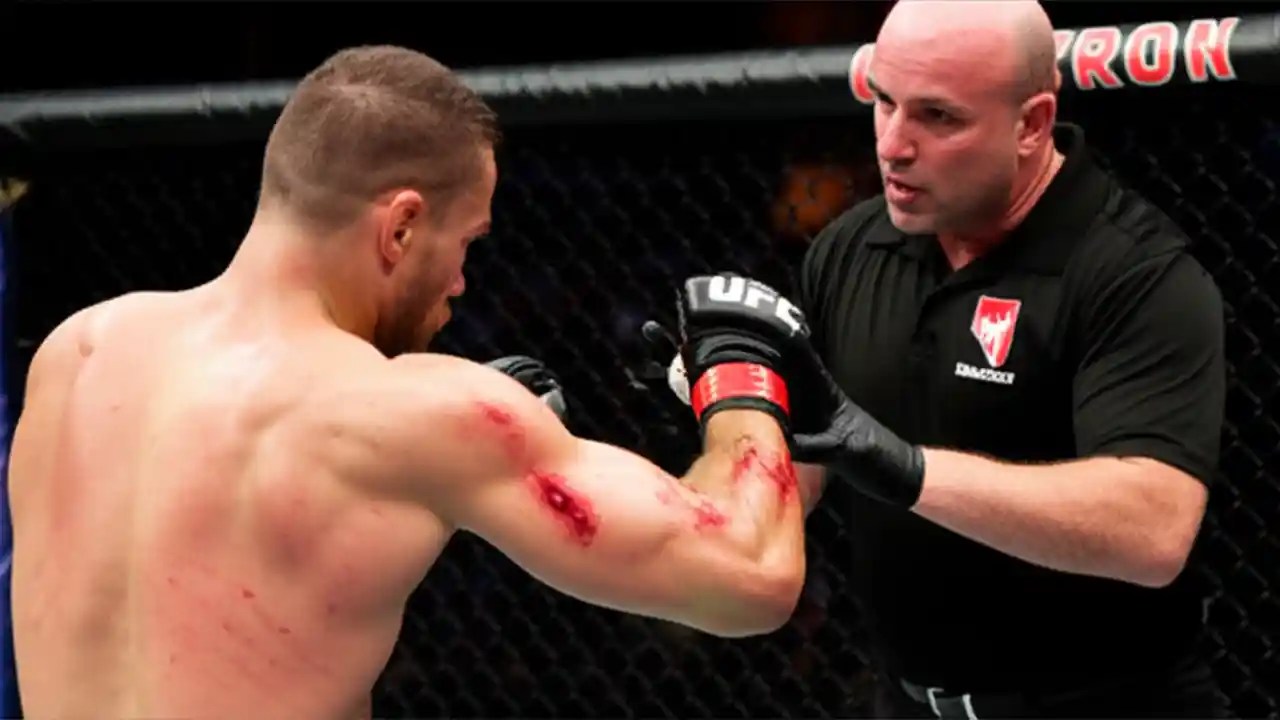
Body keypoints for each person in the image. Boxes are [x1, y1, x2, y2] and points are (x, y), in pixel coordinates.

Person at [6, 45, 816, 720]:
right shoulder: (417, 415)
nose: (461, 284)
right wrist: (742, 378)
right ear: (399, 226)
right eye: (466, 243)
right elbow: (752, 573)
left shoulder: (79, 353)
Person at [783, 1, 1229, 717]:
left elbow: (1153, 531)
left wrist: (903, 468)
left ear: (1031, 124)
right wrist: (733, 398)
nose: (892, 146)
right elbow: (794, 471)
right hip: (903, 702)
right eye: (884, 102)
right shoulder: (851, 248)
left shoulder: (1136, 272)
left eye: (937, 116)